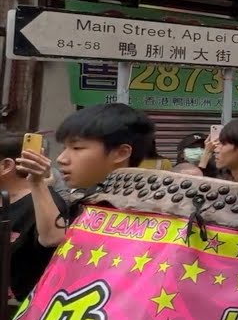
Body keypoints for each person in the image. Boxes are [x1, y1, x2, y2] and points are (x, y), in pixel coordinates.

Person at [50, 103, 156, 236]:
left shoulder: (149, 212)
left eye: (77, 148)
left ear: (121, 153)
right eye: (64, 148)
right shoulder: (89, 201)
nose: (61, 159)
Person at [0, 132, 69, 302]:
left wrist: (37, 181)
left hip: (19, 311)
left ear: (6, 166)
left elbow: (53, 239)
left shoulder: (46, 204)